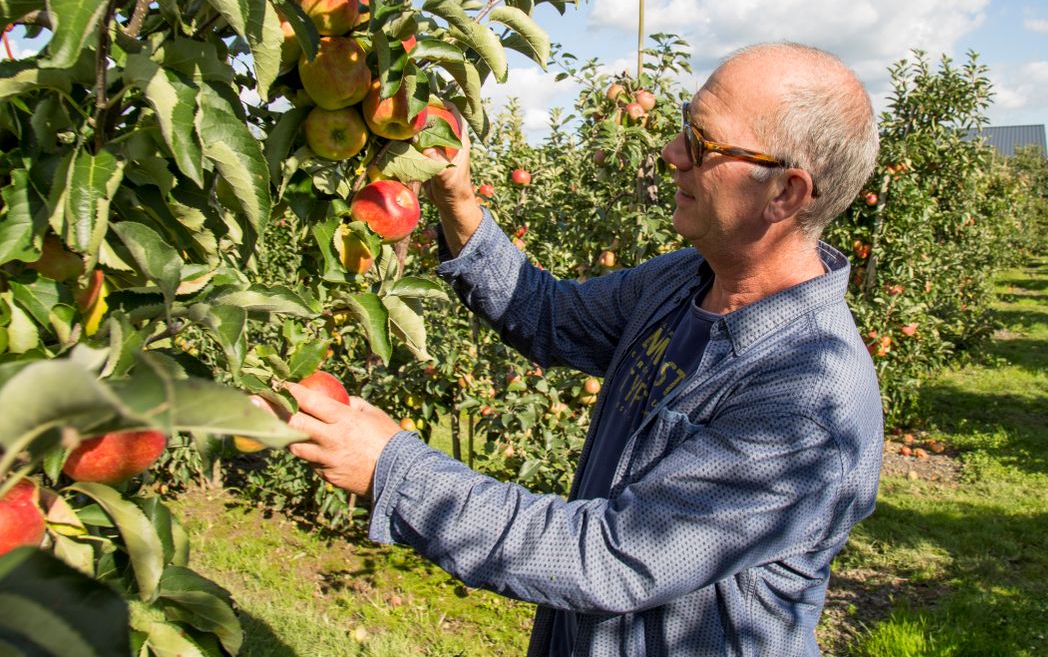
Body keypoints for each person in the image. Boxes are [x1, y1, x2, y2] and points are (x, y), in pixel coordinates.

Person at [286, 42, 885, 656]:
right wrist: (456, 199)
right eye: (683, 126)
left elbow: (609, 558)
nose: (672, 154)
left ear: (784, 193)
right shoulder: (684, 282)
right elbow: (553, 317)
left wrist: (394, 469)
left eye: (702, 143)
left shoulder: (810, 399)